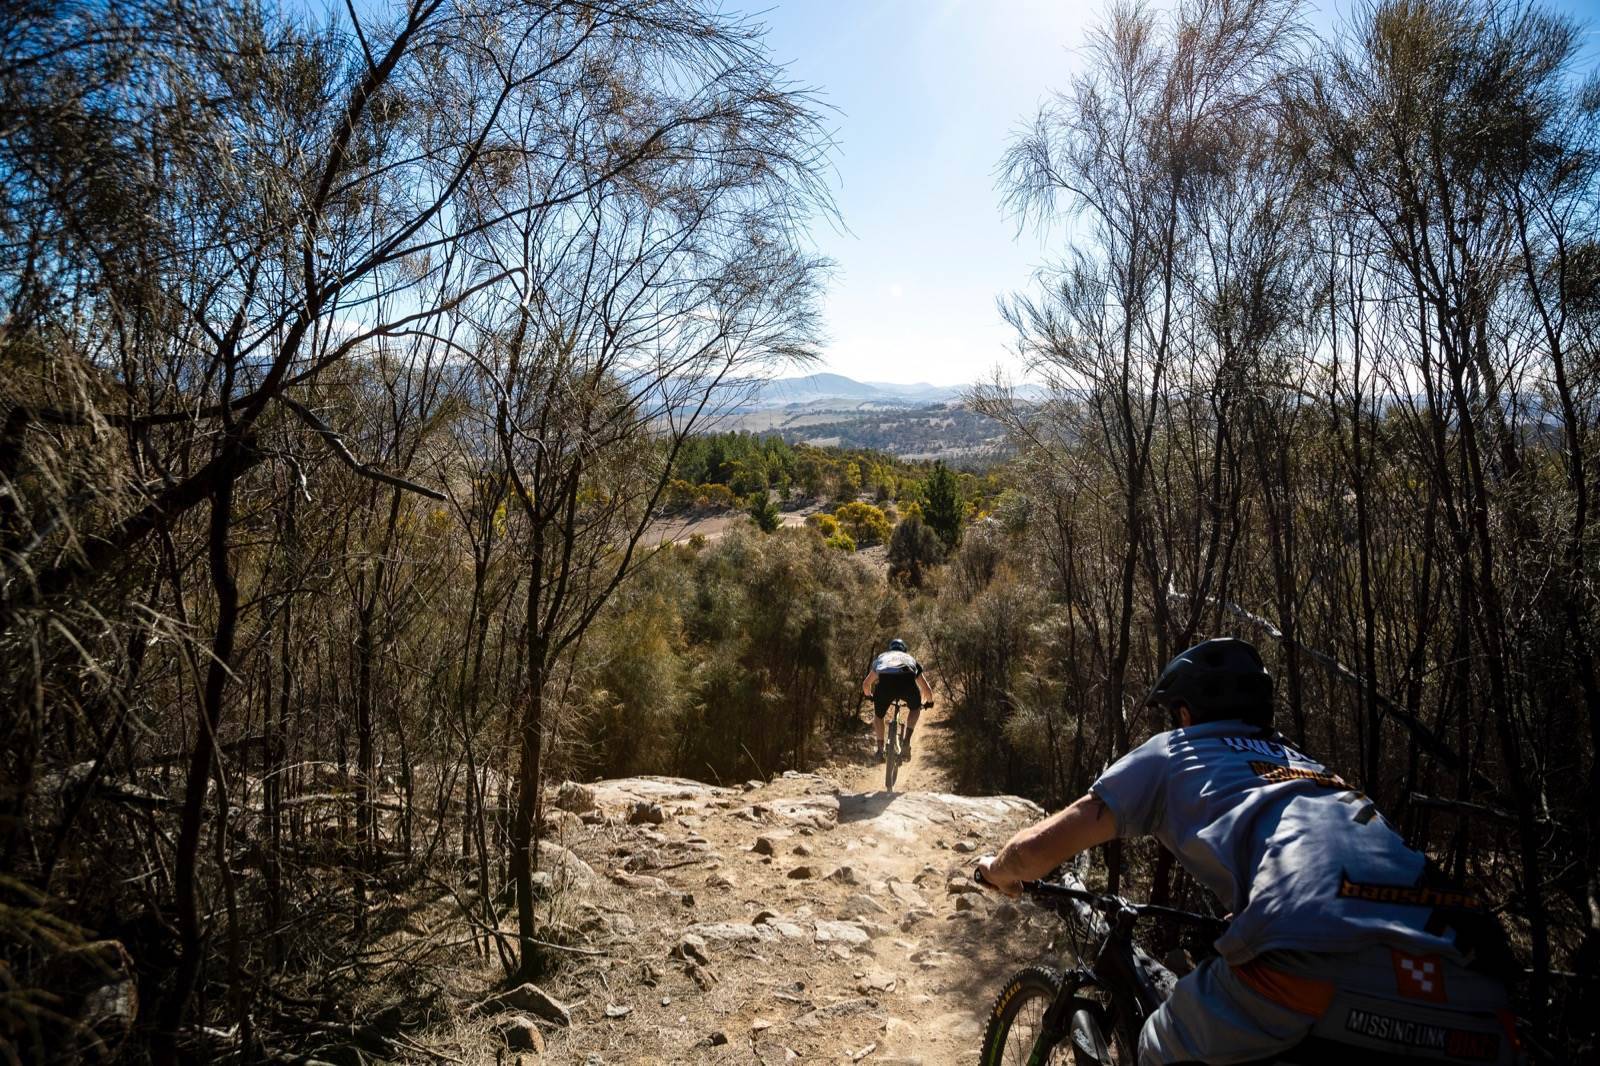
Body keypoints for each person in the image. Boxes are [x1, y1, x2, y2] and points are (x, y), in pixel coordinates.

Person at [977, 637, 1515, 1065]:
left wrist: (999, 871)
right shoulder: (1314, 770)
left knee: (1156, 1045)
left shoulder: (1175, 750)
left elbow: (1041, 848)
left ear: (1185, 713)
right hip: (1471, 983)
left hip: (1305, 960)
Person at [861, 637, 934, 763]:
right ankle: (906, 742)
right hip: (907, 684)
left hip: (885, 686)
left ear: (890, 649)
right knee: (915, 709)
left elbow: (866, 684)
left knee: (878, 716)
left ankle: (880, 750)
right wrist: (929, 702)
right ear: (904, 650)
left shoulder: (882, 658)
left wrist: (869, 696)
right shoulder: (910, 659)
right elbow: (926, 688)